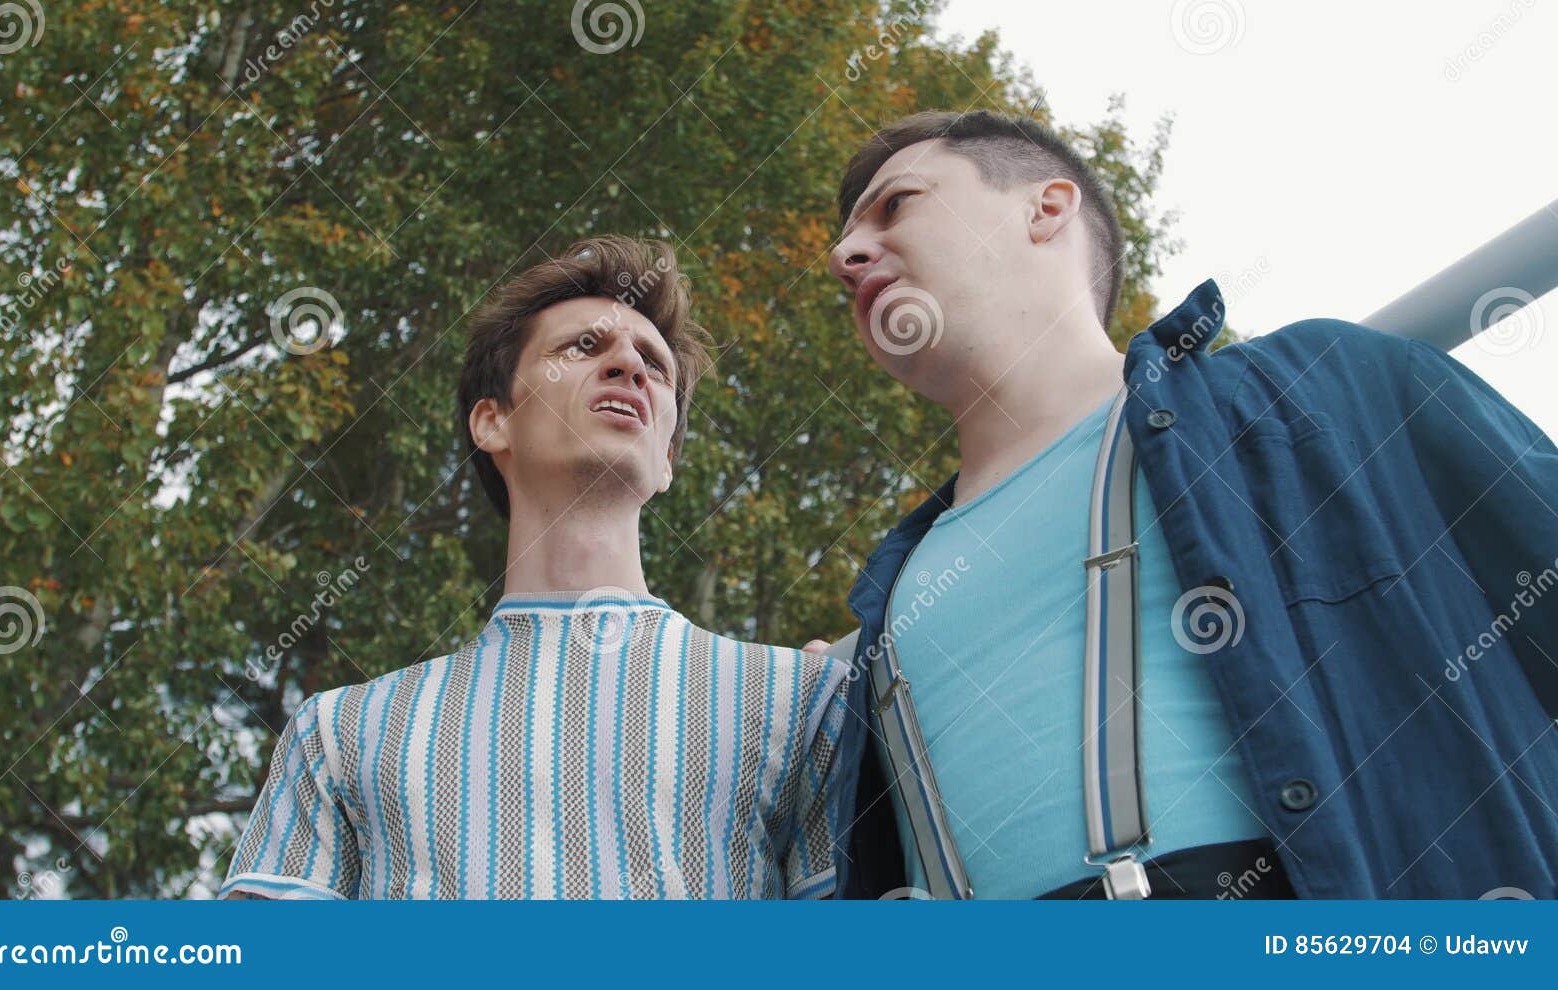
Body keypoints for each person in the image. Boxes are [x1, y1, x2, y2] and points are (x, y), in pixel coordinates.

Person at [824, 109, 1558, 899]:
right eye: (844, 242)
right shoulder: (887, 600)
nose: (843, 255)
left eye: (896, 204)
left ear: (1046, 208)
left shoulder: (1326, 388)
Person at [220, 236, 863, 899]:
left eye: (654, 363)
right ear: (492, 421)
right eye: (583, 347)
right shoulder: (339, 734)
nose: (628, 366)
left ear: (668, 458)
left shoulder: (805, 702)